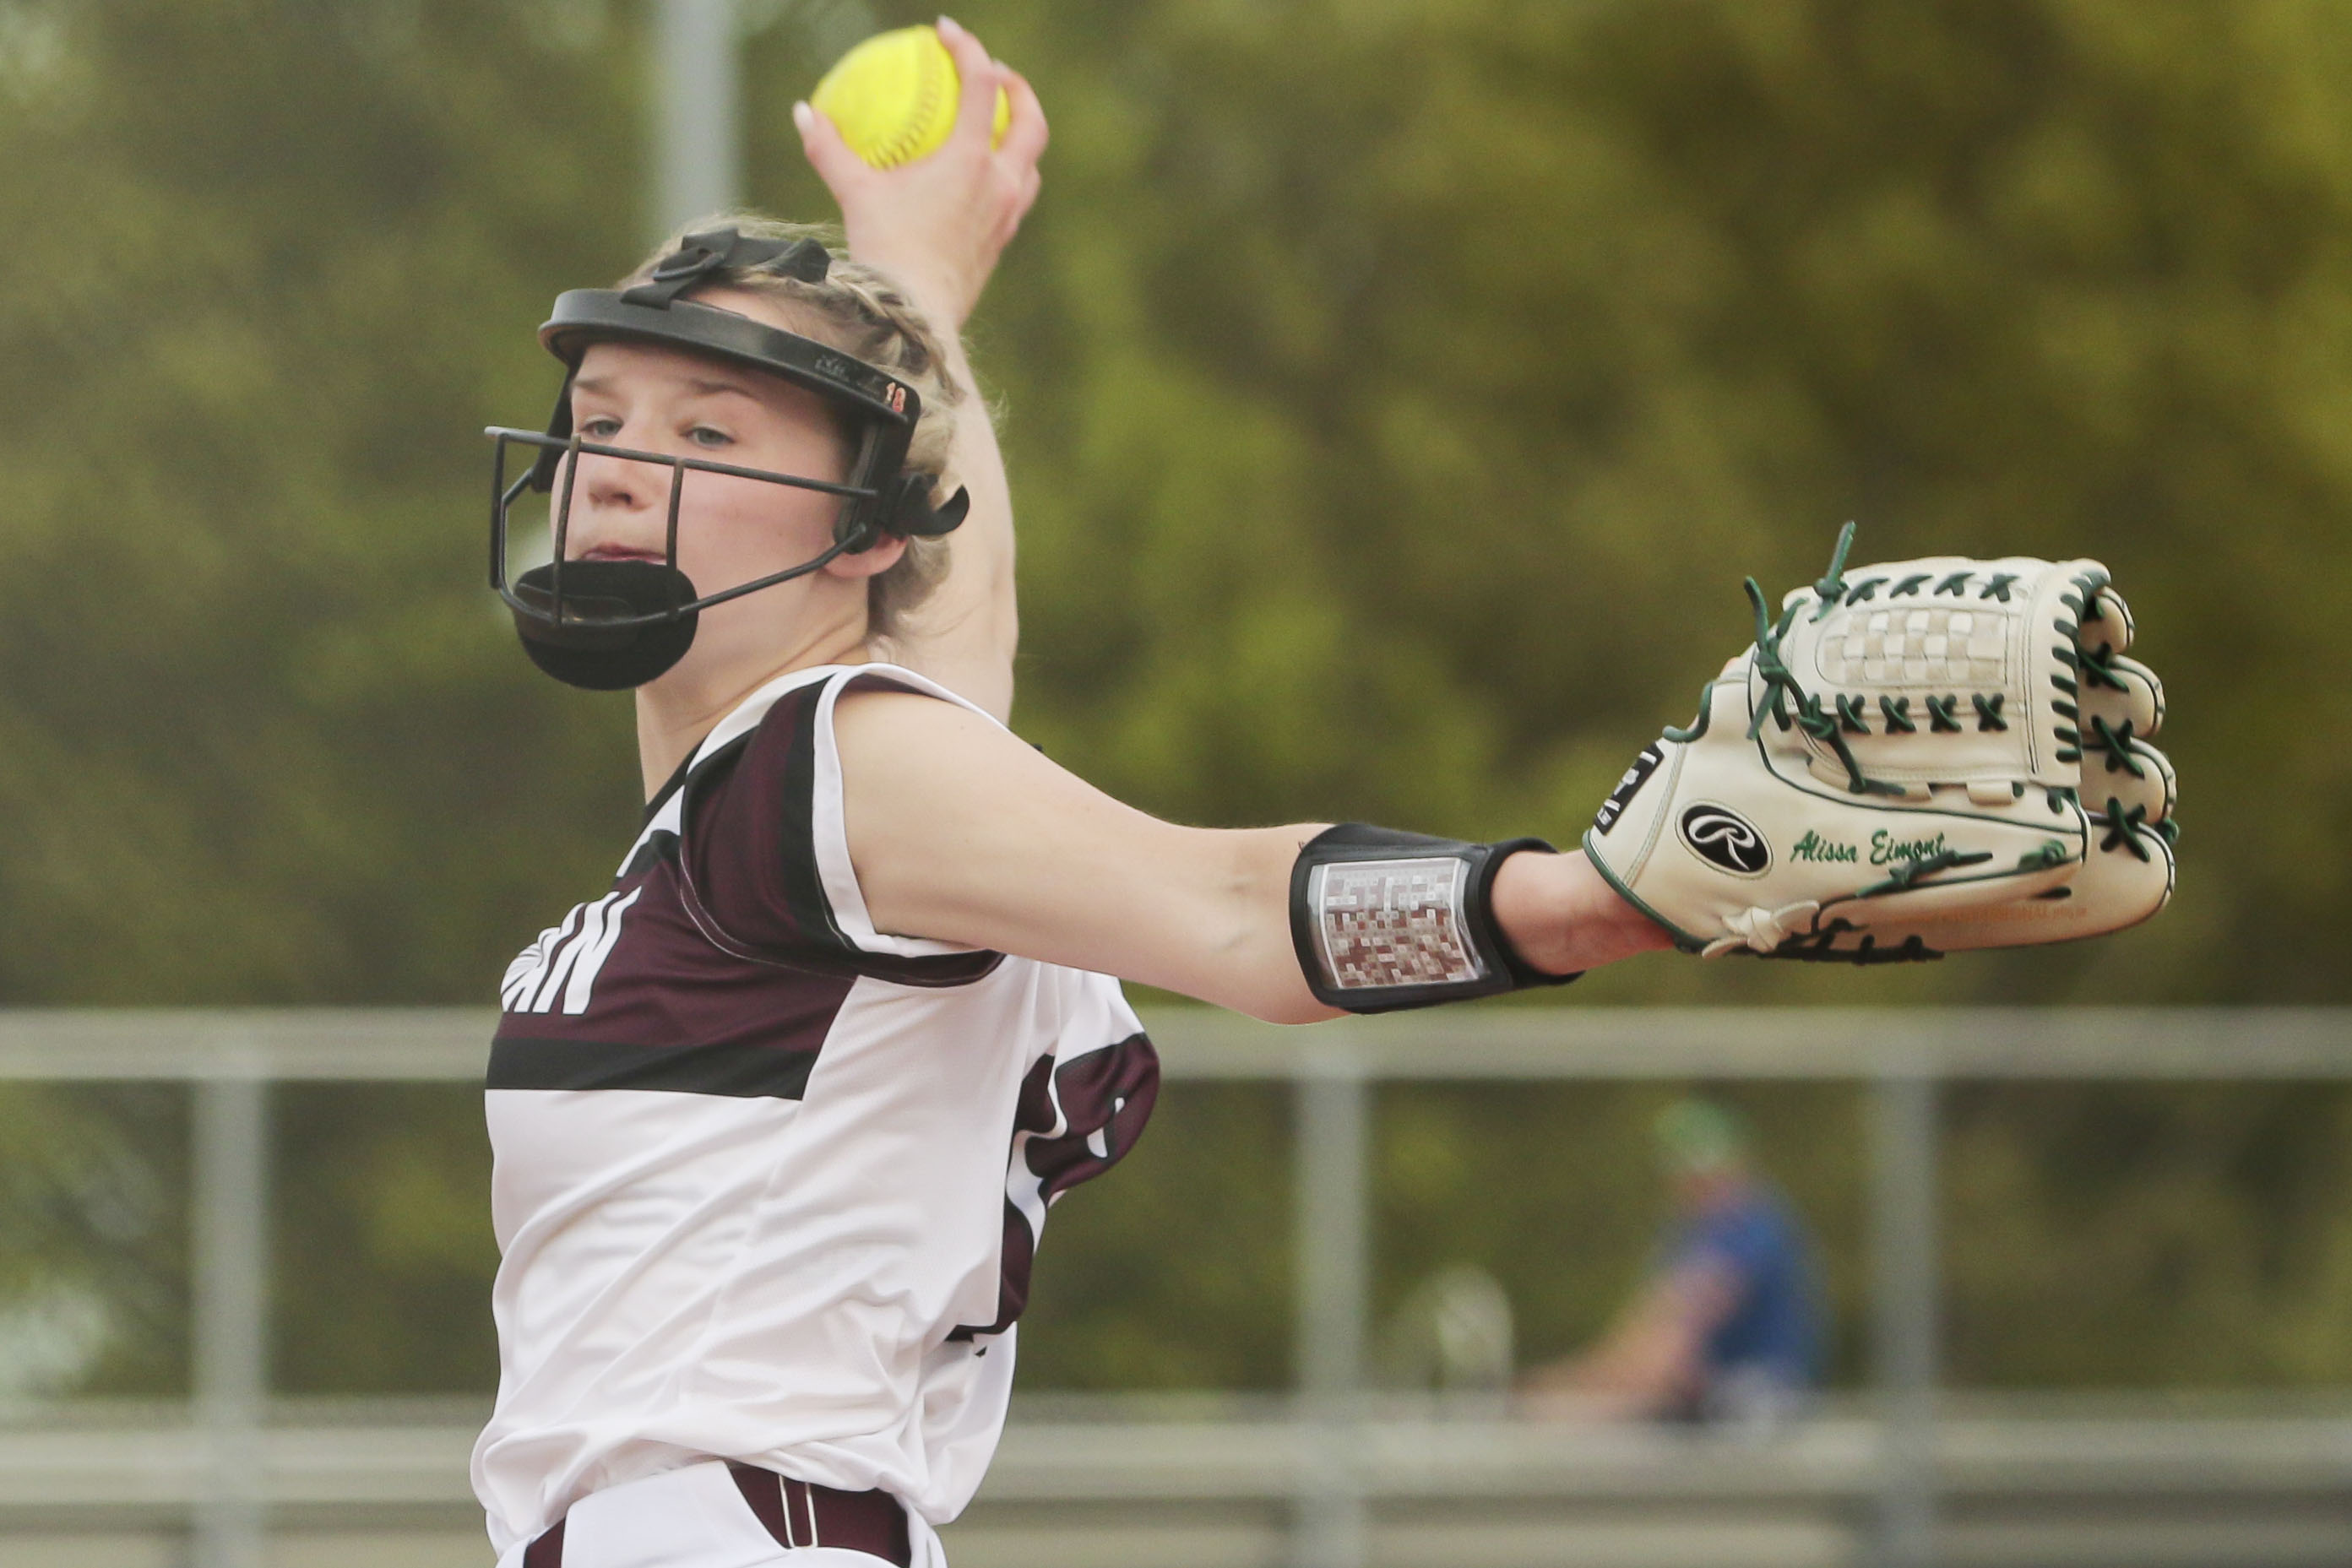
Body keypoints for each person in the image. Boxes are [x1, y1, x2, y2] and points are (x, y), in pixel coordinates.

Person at [470, 19, 1670, 1568]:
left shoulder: (826, 764)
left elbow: (1240, 915)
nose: (619, 466)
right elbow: (967, 634)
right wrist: (915, 284)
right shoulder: (796, 798)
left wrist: (1581, 901)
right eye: (605, 420)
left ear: (861, 533)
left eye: (707, 431)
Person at [1521, 1099, 1822, 1430]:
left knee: (1596, 1428)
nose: (1695, 1185)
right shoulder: (1689, 1235)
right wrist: (1556, 1386)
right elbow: (1636, 1342)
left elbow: (1662, 1357)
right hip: (1716, 1405)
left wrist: (1559, 1406)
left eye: (1707, 1173)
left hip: (1753, 1409)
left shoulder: (1746, 1231)